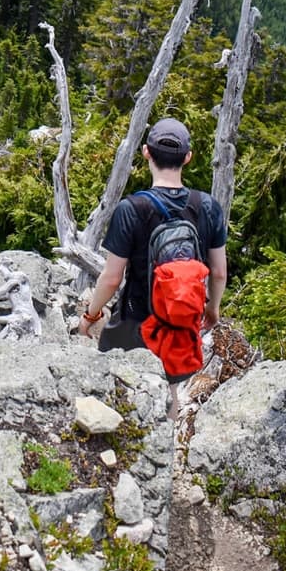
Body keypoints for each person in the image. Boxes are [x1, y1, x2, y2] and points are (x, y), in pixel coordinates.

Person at [76, 117, 228, 421]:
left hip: (135, 319)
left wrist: (91, 316)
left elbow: (112, 278)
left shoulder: (131, 209)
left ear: (146, 152)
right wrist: (211, 310)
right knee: (171, 392)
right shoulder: (208, 206)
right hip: (181, 321)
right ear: (187, 157)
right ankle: (164, 441)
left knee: (112, 384)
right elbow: (219, 271)